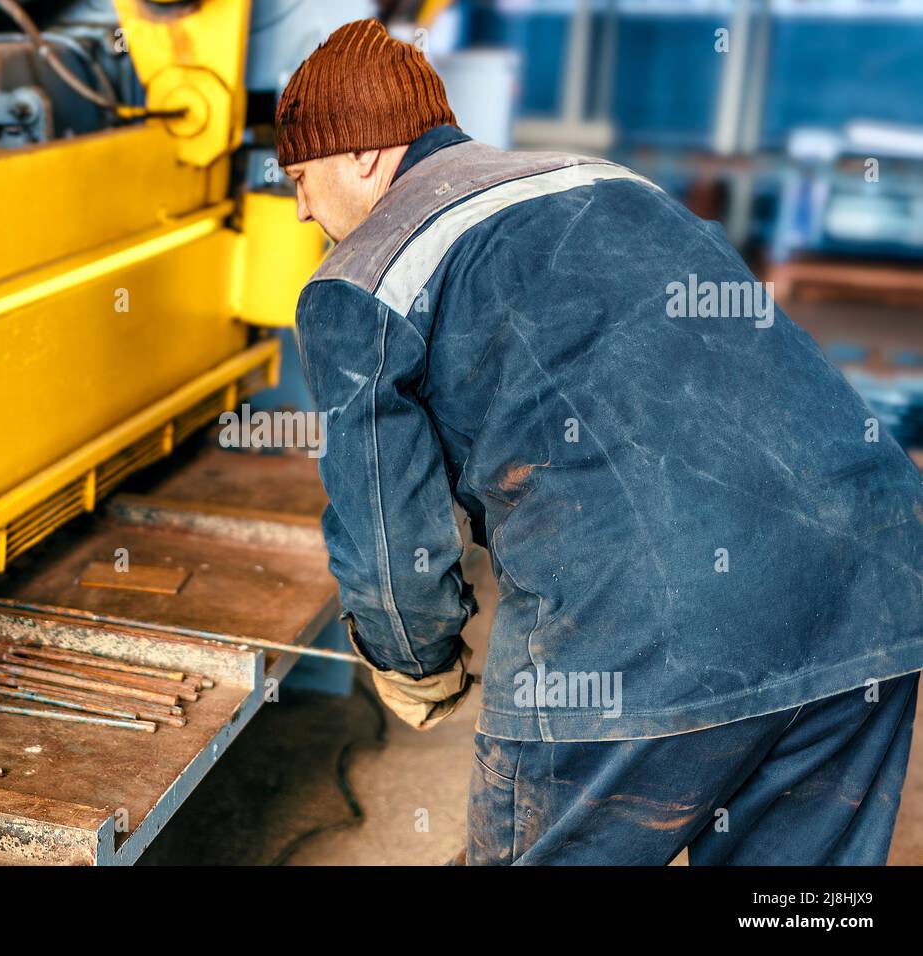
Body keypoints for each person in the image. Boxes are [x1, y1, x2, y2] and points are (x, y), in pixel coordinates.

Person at [277, 18, 923, 865]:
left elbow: (389, 540)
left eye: (299, 177)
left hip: (643, 625)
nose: (299, 207)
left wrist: (415, 662)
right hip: (872, 576)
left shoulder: (360, 279)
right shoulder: (608, 182)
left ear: (361, 154)